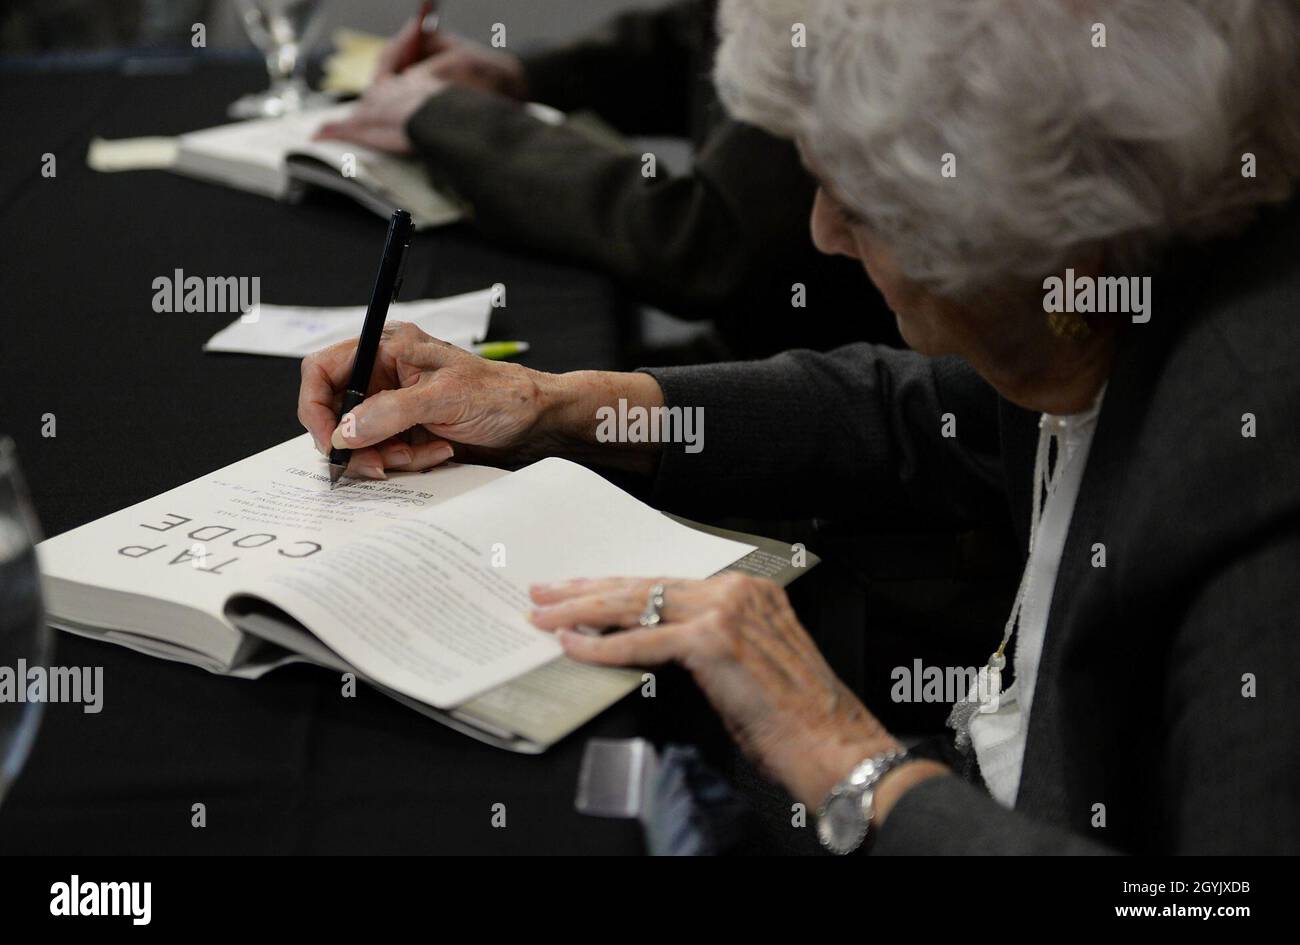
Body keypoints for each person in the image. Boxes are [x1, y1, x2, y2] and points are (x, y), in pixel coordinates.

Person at [298, 0, 1300, 854]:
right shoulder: (1099, 299)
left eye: (855, 201)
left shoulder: (1253, 480)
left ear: (1013, 228)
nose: (819, 230)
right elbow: (915, 412)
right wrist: (559, 407)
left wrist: (846, 763)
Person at [316, 0, 893, 357]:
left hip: (842, 396)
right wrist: (524, 77)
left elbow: (705, 244)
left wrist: (455, 121)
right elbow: (702, 33)